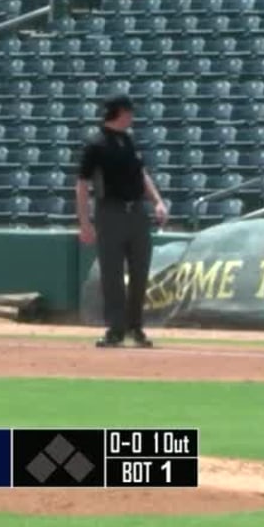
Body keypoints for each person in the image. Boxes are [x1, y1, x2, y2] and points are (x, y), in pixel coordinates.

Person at [76, 94, 169, 349]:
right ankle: (115, 329)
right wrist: (85, 222)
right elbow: (82, 184)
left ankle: (135, 327)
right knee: (112, 274)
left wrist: (157, 201)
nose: (132, 116)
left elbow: (141, 174)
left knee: (140, 271)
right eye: (129, 111)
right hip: (110, 211)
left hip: (136, 211)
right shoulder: (96, 144)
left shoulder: (127, 140)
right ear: (120, 112)